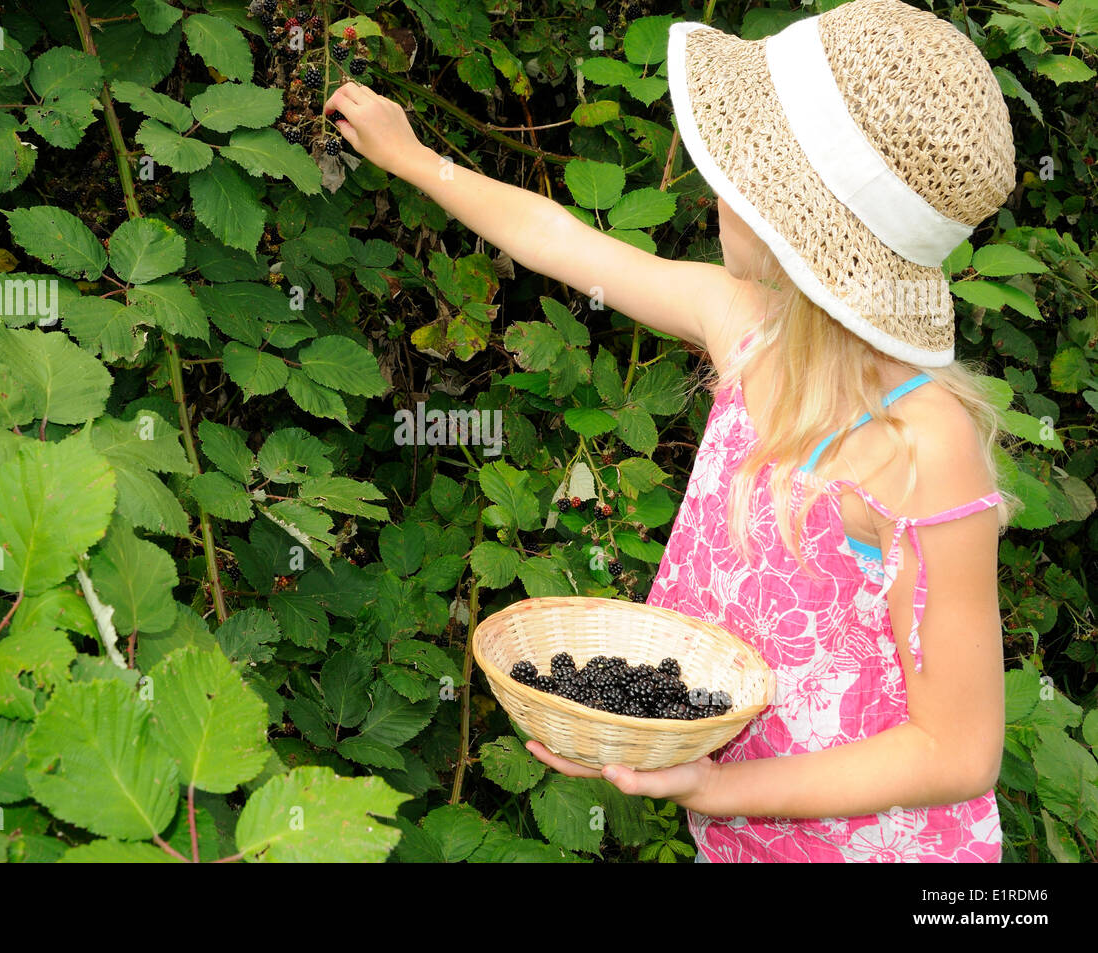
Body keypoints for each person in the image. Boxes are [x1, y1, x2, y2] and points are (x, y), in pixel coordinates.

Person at [325, 0, 1015, 861]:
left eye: (739, 170)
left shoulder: (923, 446)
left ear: (788, 220)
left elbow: (957, 749)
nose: (711, 182)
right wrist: (418, 160)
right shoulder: (748, 327)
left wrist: (722, 788)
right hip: (740, 839)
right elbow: (563, 240)